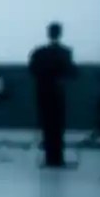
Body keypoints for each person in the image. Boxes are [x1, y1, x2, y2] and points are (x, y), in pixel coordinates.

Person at [28, 22, 77, 168]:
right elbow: (72, 72)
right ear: (60, 33)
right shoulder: (65, 52)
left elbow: (32, 70)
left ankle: (50, 158)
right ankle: (57, 158)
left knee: (47, 125)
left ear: (48, 33)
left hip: (43, 92)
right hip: (58, 93)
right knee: (58, 126)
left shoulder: (39, 52)